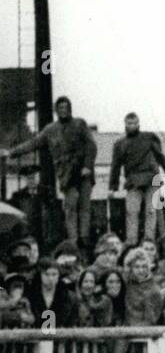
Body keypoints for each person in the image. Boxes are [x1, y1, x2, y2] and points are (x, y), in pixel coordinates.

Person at [1, 96, 99, 253]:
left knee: (84, 206)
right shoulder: (50, 130)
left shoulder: (80, 124)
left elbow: (91, 146)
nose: (63, 110)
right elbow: (33, 143)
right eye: (60, 108)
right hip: (67, 174)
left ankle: (85, 239)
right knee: (70, 207)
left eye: (66, 107)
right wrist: (12, 152)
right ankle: (73, 241)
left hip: (82, 172)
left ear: (70, 108)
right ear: (56, 110)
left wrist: (87, 166)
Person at [109, 112, 165, 246]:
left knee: (151, 211)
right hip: (133, 181)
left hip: (151, 179)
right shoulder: (120, 144)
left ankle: (149, 240)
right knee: (132, 211)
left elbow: (160, 156)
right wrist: (113, 187)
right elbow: (115, 166)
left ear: (138, 124)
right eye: (129, 123)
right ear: (125, 124)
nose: (132, 126)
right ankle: (131, 241)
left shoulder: (149, 138)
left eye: (134, 123)